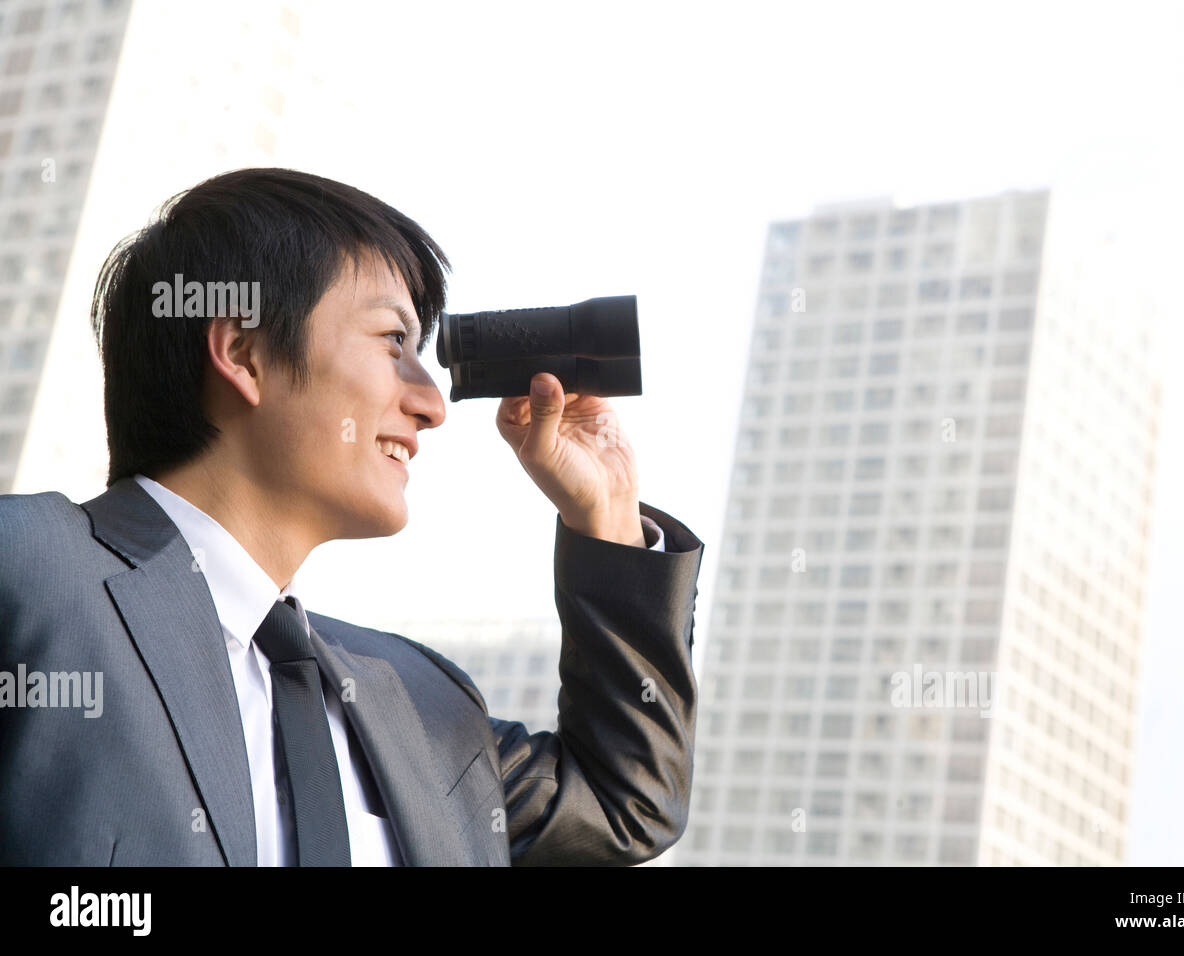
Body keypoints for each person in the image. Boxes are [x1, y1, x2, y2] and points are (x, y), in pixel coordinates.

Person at [0, 168, 704, 866]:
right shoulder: (28, 573)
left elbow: (627, 803)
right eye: (394, 342)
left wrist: (608, 511)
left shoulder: (424, 704)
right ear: (244, 353)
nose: (431, 405)